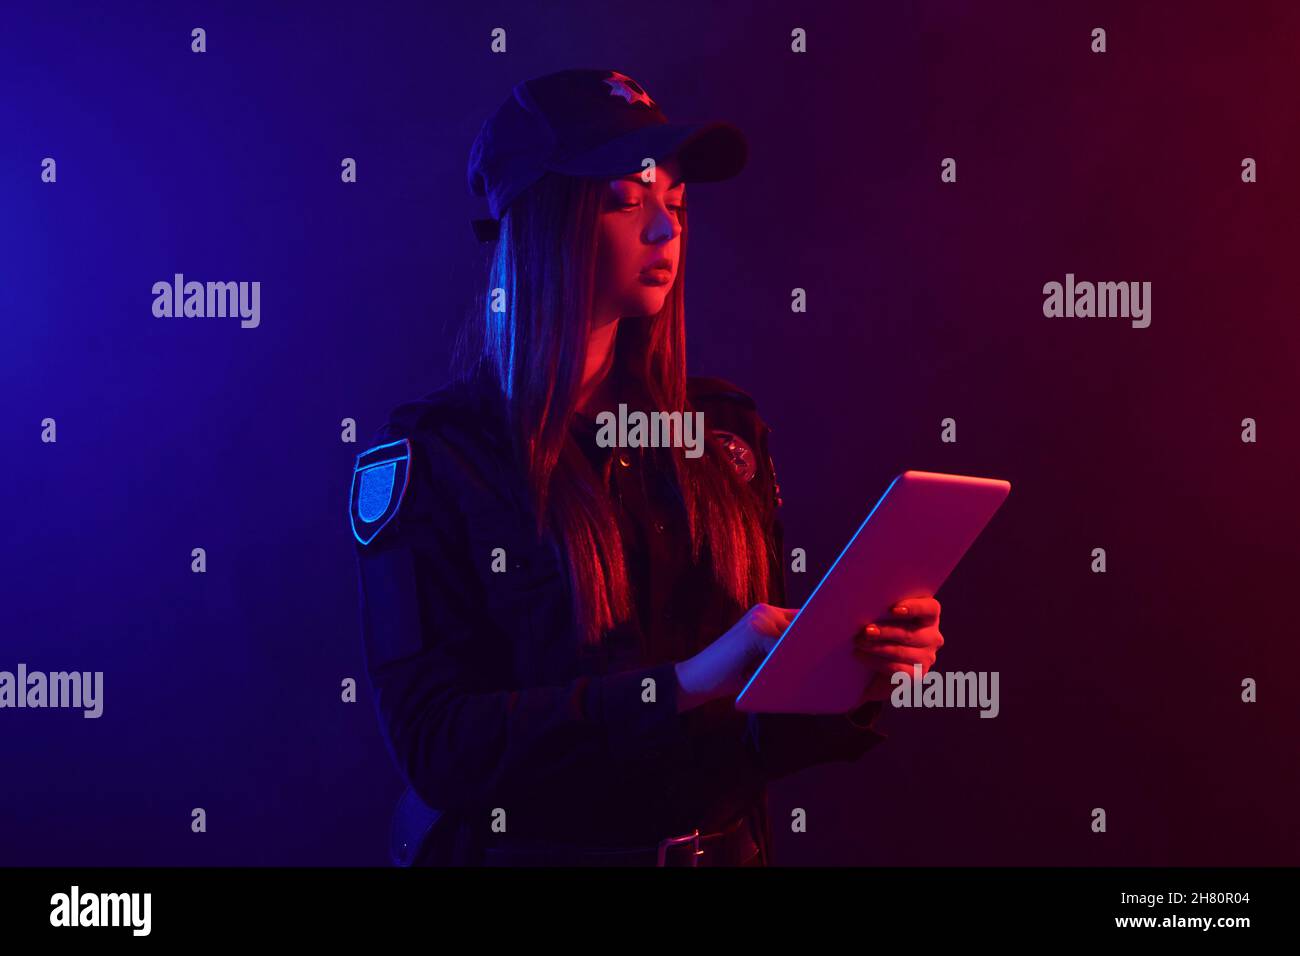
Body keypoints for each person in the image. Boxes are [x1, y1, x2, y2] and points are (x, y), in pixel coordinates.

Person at [349, 68, 945, 866]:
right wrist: (683, 683)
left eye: (679, 203)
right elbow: (439, 748)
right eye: (629, 202)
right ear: (544, 225)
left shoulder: (724, 435)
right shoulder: (434, 460)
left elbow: (752, 738)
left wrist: (851, 677)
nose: (665, 230)